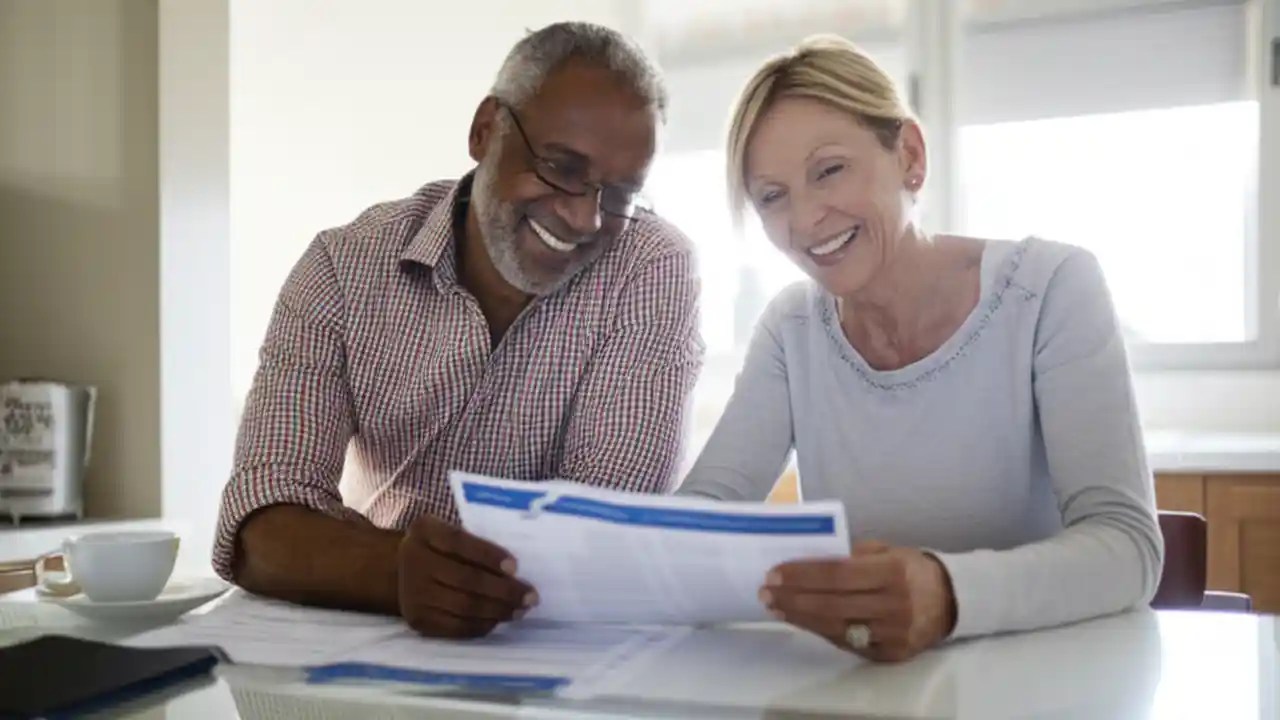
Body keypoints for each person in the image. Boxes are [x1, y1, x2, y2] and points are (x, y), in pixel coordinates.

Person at [678, 35, 1163, 662]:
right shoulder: (791, 328)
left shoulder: (1048, 289)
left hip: (1045, 682)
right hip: (874, 687)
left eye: (828, 171)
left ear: (909, 154)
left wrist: (946, 593)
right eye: (772, 196)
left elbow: (1128, 548)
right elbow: (701, 520)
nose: (804, 220)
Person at [213, 22, 705, 639]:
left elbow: (599, 535)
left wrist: (373, 563)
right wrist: (394, 572)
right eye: (561, 167)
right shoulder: (343, 268)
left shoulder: (651, 264)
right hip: (373, 632)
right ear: (485, 130)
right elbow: (259, 524)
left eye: (621, 193)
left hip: (551, 653)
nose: (584, 218)